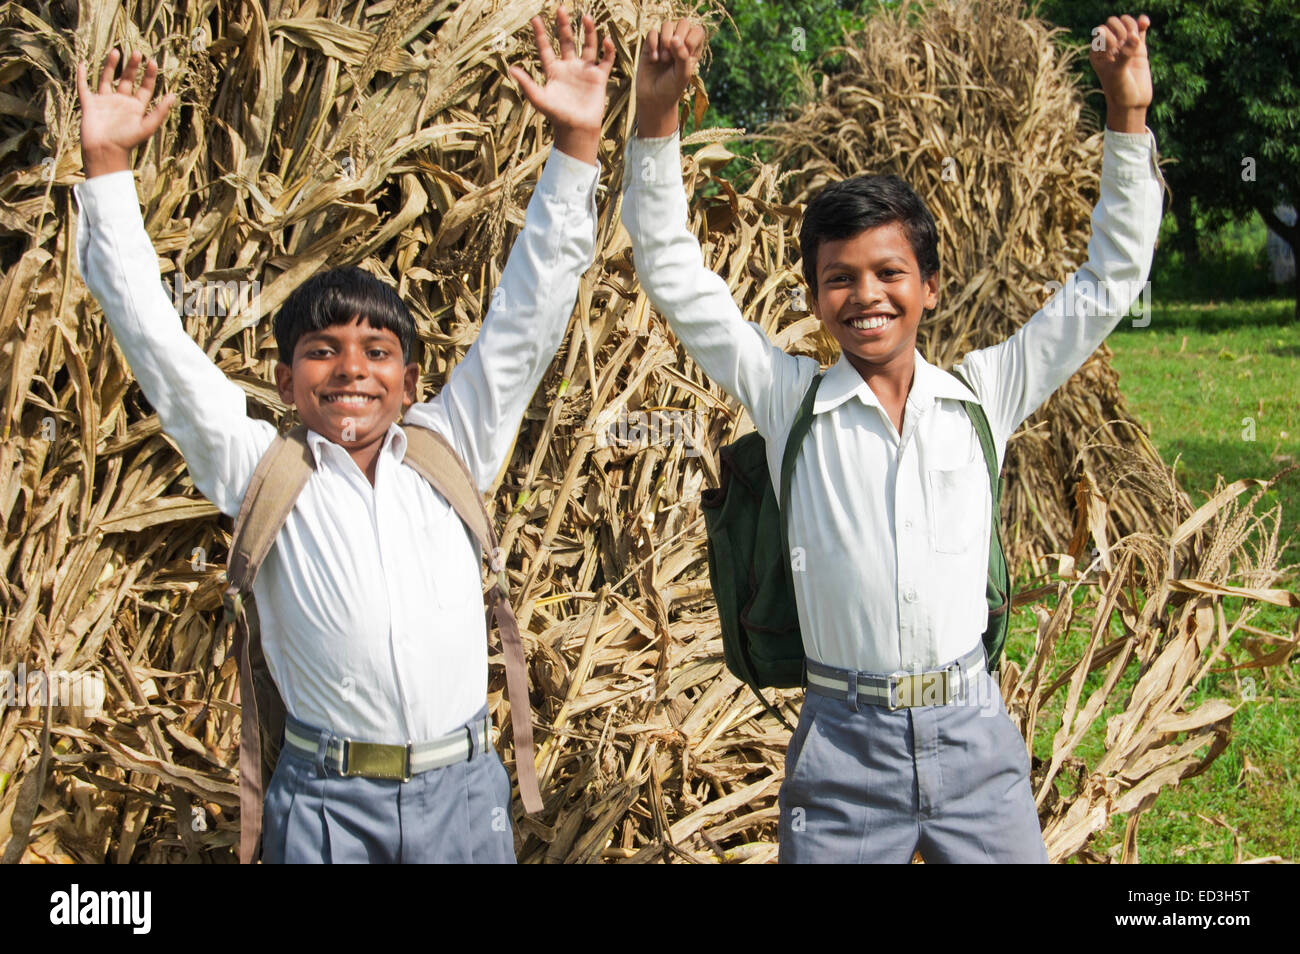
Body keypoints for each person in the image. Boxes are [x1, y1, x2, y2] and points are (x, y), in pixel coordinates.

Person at [73, 6, 614, 863]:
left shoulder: (452, 448)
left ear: (408, 377)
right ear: (286, 383)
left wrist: (576, 147)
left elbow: (530, 312)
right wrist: (106, 168)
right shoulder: (262, 468)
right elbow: (158, 345)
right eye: (322, 352)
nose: (352, 369)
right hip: (327, 808)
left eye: (378, 351)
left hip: (466, 800)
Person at [622, 15, 1164, 862]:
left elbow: (1111, 278)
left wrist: (1126, 118)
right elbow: (672, 269)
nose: (864, 295)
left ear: (931, 287)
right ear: (812, 298)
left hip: (976, 738)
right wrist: (658, 123)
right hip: (843, 746)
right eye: (838, 278)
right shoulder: (788, 400)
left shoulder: (986, 395)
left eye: (888, 273)